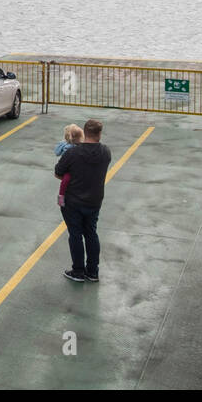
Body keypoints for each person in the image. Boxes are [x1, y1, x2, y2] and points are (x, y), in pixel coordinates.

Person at [54, 118, 111, 282]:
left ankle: (78, 271)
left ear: (85, 133)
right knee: (91, 233)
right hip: (94, 201)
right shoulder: (105, 152)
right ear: (99, 134)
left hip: (73, 202)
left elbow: (58, 172)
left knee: (75, 235)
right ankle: (93, 272)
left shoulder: (72, 153)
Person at [54, 124, 83, 207]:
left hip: (75, 166)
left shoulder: (79, 145)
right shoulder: (67, 145)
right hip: (67, 167)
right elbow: (57, 152)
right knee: (66, 179)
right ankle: (61, 196)